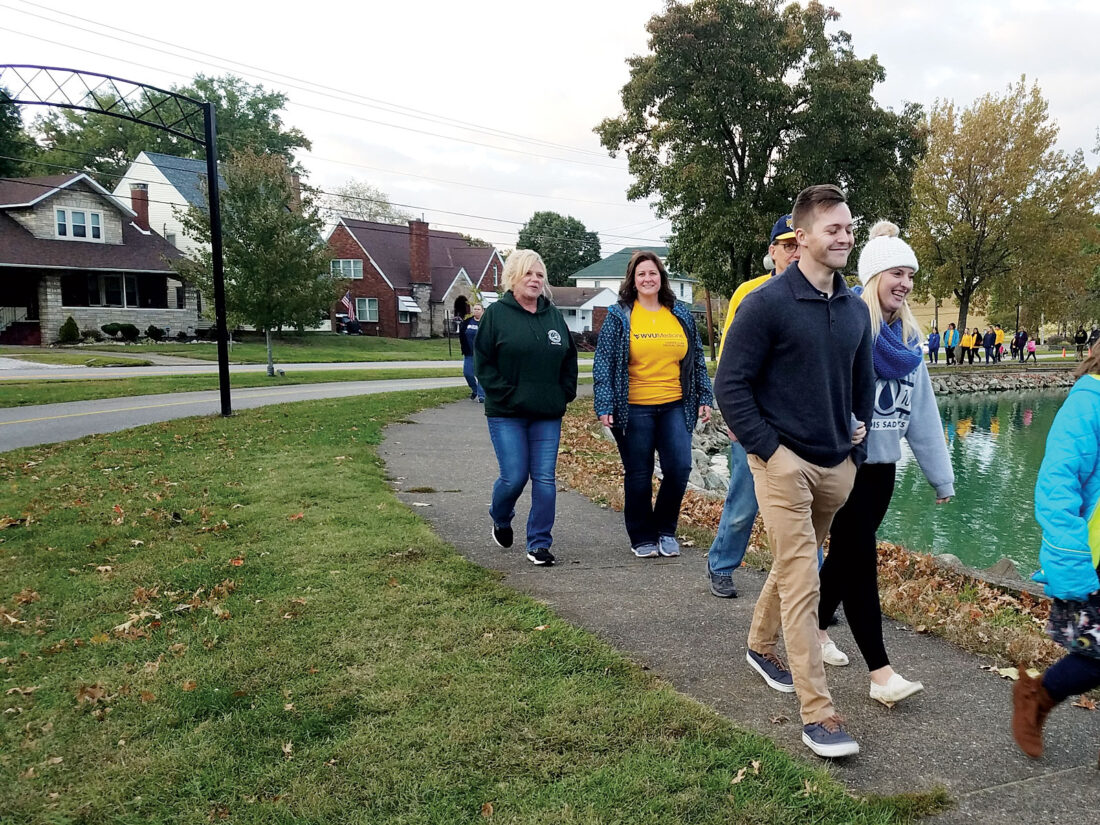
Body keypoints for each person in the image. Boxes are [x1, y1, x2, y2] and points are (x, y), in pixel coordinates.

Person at [716, 184, 874, 758]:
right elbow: (728, 386)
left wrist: (855, 450)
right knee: (805, 575)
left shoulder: (855, 309)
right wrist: (770, 451)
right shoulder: (765, 305)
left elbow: (863, 384)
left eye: (849, 228)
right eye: (833, 229)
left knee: (792, 564)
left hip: (837, 465)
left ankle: (759, 643)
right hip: (780, 463)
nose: (844, 237)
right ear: (800, 236)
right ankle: (819, 712)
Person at [816, 221, 954, 705]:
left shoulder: (908, 345)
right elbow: (819, 392)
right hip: (843, 464)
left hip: (883, 471)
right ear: (876, 277)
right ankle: (881, 674)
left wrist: (941, 477)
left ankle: (813, 626)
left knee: (844, 556)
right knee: (861, 560)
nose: (907, 284)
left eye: (912, 276)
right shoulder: (848, 325)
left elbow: (923, 416)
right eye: (898, 273)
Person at [593, 250, 713, 558]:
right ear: (633, 280)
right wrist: (604, 403)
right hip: (634, 407)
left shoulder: (680, 313)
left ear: (661, 278)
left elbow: (696, 360)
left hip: (675, 404)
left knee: (679, 467)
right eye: (641, 274)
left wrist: (704, 397)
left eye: (653, 273)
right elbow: (603, 362)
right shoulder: (620, 314)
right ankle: (642, 534)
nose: (648, 278)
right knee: (638, 472)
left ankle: (664, 529)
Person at [1011, 346, 1100, 758]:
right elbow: (1056, 488)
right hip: (1094, 557)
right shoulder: (1087, 402)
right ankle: (1038, 695)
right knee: (1096, 652)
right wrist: (1069, 558)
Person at [706, 214, 800, 598]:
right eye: (788, 245)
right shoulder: (751, 293)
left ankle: (816, 589)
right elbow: (730, 361)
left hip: (802, 423)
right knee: (745, 500)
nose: (795, 253)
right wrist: (732, 415)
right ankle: (722, 565)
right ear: (773, 251)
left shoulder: (823, 292)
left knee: (804, 513)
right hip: (754, 420)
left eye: (801, 244)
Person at [474, 250, 578, 567]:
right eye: (528, 274)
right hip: (507, 413)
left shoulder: (553, 316)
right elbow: (484, 364)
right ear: (513, 278)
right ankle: (501, 516)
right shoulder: (496, 315)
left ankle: (539, 543)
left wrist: (564, 393)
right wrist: (509, 395)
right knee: (515, 477)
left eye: (539, 275)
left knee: (545, 480)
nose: (534, 279)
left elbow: (568, 359)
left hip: (547, 414)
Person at [459, 303, 486, 402]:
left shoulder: (486, 323)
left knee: (481, 374)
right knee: (468, 373)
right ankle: (475, 390)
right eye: (475, 309)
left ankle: (481, 395)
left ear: (483, 311)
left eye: (478, 309)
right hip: (469, 353)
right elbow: (462, 336)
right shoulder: (467, 322)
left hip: (482, 354)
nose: (476, 311)